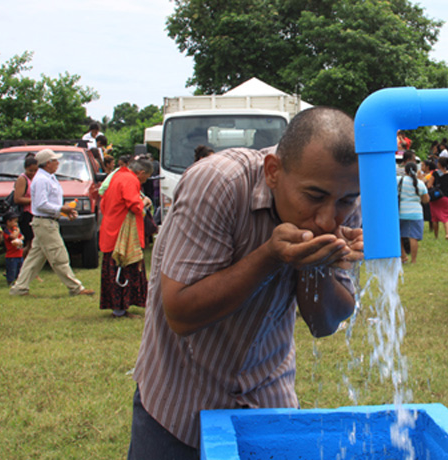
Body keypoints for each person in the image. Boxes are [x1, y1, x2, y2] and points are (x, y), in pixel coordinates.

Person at [127, 107, 363, 459]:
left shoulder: (342, 197)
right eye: (313, 197)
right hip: (179, 403)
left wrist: (318, 266)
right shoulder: (218, 183)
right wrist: (270, 256)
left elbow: (323, 324)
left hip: (268, 397)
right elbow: (181, 314)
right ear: (273, 172)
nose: (328, 217)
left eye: (345, 201)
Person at [9, 149, 95, 297]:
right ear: (48, 163)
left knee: (34, 259)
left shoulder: (48, 177)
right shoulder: (42, 179)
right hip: (45, 223)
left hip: (47, 222)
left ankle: (19, 288)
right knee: (59, 256)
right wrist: (62, 209)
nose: (58, 163)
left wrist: (64, 211)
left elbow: (49, 203)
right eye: (55, 160)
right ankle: (75, 288)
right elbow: (41, 204)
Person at [99, 159, 154, 318]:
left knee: (114, 268)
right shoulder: (130, 180)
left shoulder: (117, 176)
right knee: (122, 268)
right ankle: (120, 309)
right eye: (146, 177)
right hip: (121, 233)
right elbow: (135, 205)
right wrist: (145, 201)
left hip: (111, 228)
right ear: (141, 173)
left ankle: (120, 307)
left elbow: (104, 204)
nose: (145, 181)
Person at [397, 162, 429, 263]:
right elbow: (426, 200)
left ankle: (403, 255)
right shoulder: (420, 183)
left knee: (399, 235)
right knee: (413, 236)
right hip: (416, 212)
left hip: (401, 211)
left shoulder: (399, 180)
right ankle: (413, 260)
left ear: (405, 171)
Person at [14, 155, 38, 258]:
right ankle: (23, 266)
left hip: (34, 213)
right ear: (25, 168)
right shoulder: (22, 179)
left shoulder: (36, 178)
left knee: (33, 243)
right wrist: (34, 201)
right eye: (30, 170)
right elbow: (17, 198)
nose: (32, 173)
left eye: (35, 171)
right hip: (26, 214)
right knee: (29, 243)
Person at [427, 157, 448, 239]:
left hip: (436, 197)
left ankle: (436, 236)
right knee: (446, 217)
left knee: (435, 218)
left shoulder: (435, 174)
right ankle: (447, 234)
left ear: (439, 164)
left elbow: (429, 185)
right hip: (446, 197)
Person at [2, 211, 24, 286]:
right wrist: (17, 231)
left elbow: (22, 236)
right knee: (12, 269)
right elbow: (13, 237)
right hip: (11, 255)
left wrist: (20, 238)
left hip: (19, 254)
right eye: (15, 222)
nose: (16, 224)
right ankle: (10, 281)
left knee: (19, 269)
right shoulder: (7, 231)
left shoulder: (14, 230)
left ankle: (18, 281)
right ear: (8, 222)